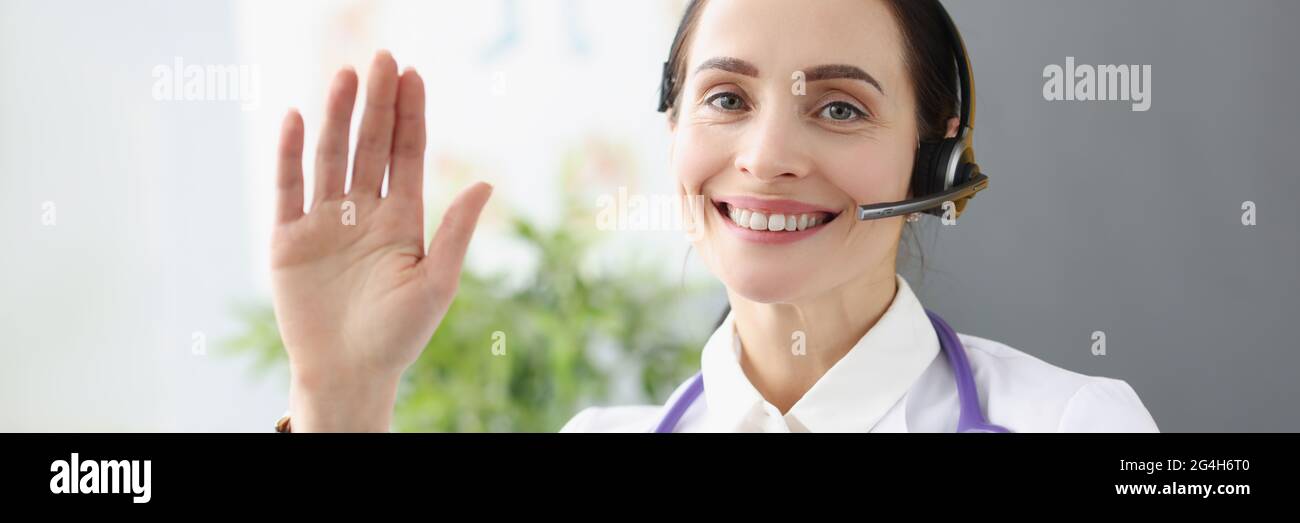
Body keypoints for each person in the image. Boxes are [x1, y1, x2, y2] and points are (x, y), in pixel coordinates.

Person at [269, 0, 1159, 433]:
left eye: (840, 108)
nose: (766, 156)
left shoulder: (1074, 423)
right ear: (673, 132)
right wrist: (340, 394)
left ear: (935, 156)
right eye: (727, 97)